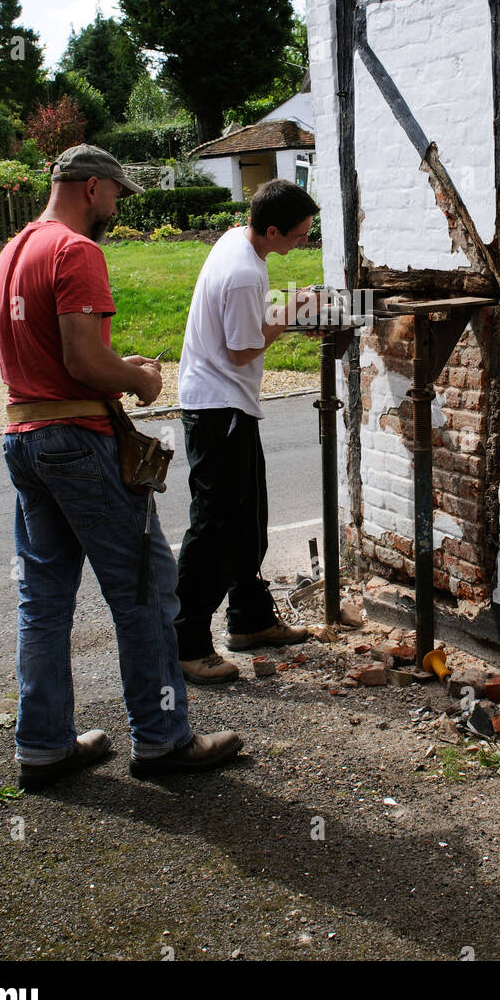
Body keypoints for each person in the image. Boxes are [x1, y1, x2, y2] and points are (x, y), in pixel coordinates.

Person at [0, 143, 242, 790]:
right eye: (115, 195)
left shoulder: (14, 250)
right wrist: (140, 377)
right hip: (78, 441)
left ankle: (43, 747)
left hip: (26, 437)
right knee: (142, 593)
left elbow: (51, 358)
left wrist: (109, 366)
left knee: (43, 600)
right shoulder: (77, 251)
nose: (116, 207)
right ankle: (162, 740)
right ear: (92, 188)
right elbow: (81, 360)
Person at [175, 178, 321, 683]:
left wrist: (283, 307)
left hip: (227, 405)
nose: (304, 241)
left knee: (251, 518)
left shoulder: (240, 244)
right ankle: (187, 642)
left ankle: (250, 620)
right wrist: (294, 312)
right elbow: (242, 349)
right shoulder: (242, 273)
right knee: (215, 527)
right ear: (274, 229)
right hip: (219, 411)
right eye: (300, 234)